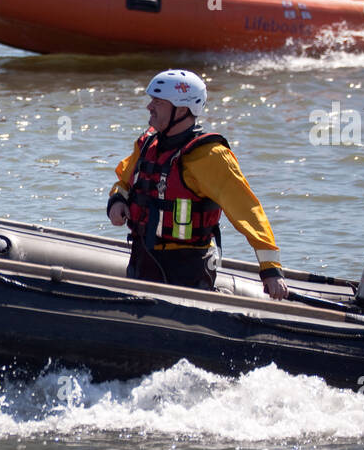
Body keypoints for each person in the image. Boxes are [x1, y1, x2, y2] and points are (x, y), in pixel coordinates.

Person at [107, 69, 289, 299]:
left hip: (186, 267)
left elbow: (248, 211)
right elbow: (124, 180)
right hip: (142, 258)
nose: (149, 107)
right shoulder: (147, 145)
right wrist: (117, 199)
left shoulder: (210, 156)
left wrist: (271, 269)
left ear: (181, 110)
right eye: (151, 100)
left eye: (158, 102)